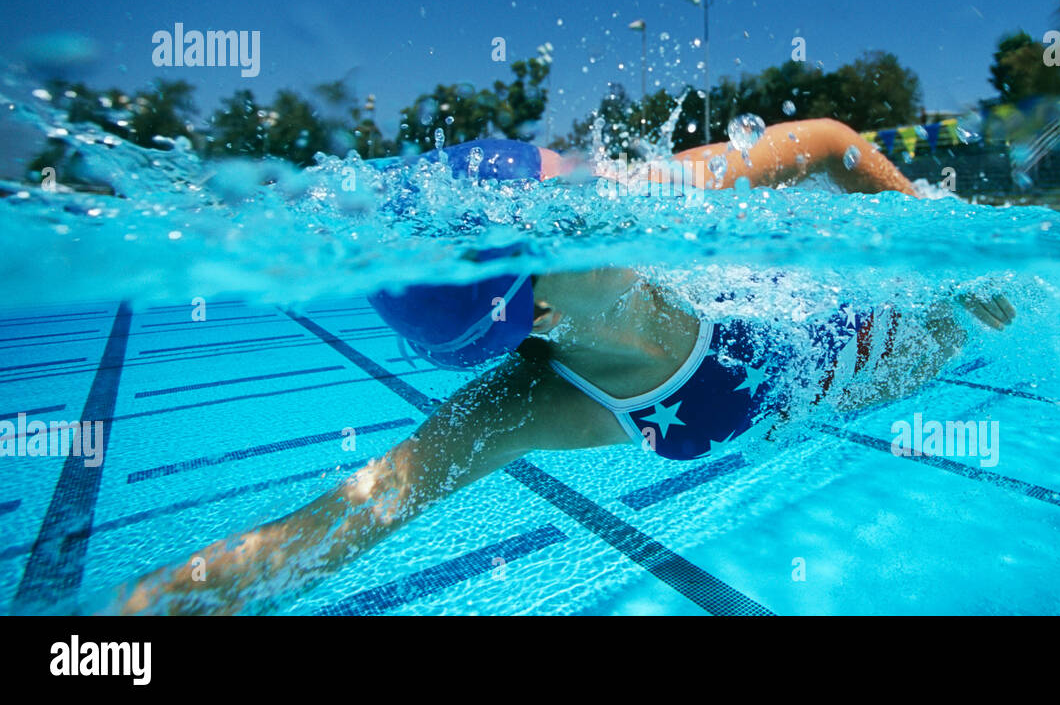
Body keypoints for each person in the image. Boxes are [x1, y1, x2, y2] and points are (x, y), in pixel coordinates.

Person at [110, 118, 1014, 614]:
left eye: (573, 172)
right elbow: (343, 519)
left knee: (1006, 297)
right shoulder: (535, 401)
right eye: (570, 202)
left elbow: (822, 141)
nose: (600, 187)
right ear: (535, 309)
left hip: (883, 289)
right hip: (868, 375)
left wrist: (943, 241)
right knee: (967, 336)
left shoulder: (648, 200)